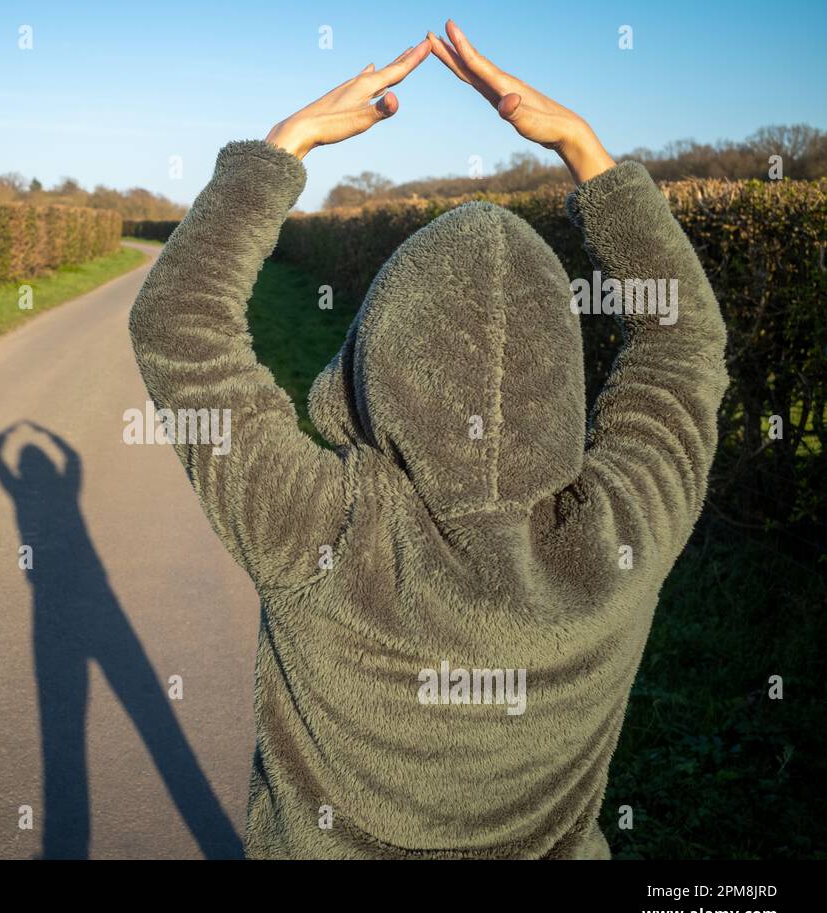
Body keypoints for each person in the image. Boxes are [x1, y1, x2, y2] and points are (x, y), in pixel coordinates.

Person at [127, 20, 729, 859]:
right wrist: (583, 148)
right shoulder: (620, 539)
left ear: (376, 355)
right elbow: (684, 348)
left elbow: (177, 324)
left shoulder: (321, 529)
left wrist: (285, 145)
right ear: (561, 368)